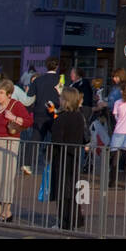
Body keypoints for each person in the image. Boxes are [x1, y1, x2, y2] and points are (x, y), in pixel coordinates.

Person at [0, 77, 29, 222]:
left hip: (9, 143)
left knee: (6, 177)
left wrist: (15, 118)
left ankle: (7, 211)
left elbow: (28, 121)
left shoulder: (16, 105)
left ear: (9, 94)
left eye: (1, 93)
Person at [50, 87, 88, 230]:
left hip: (62, 157)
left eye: (61, 98)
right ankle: (75, 219)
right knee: (72, 190)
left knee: (62, 191)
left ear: (65, 100)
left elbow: (56, 138)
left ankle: (64, 222)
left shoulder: (62, 117)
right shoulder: (79, 116)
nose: (59, 100)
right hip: (75, 155)